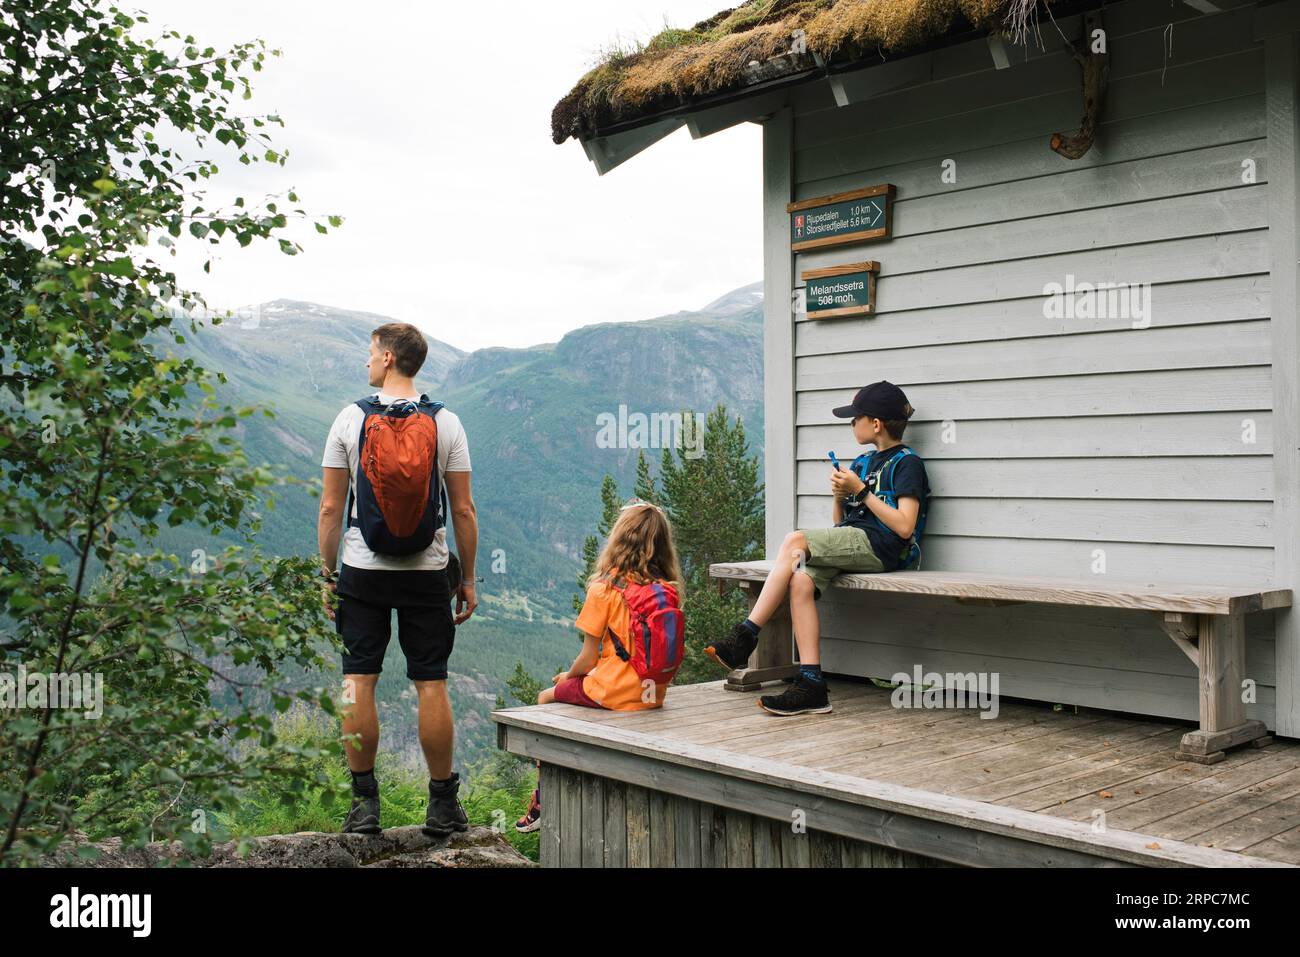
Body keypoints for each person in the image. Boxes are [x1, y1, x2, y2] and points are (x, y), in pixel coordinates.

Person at [318, 322, 479, 836]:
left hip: (361, 572)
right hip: (427, 572)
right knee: (431, 684)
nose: (366, 361)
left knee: (356, 681)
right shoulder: (446, 422)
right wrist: (469, 578)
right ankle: (442, 808)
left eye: (370, 353)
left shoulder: (349, 418)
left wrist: (327, 576)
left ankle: (365, 807)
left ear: (388, 358)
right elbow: (464, 510)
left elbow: (329, 507)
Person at [705, 380, 930, 717]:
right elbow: (842, 525)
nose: (852, 423)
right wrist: (841, 496)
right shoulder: (863, 462)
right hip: (855, 541)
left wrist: (863, 493)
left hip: (884, 548)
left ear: (876, 424)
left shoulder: (906, 463)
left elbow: (904, 526)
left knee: (795, 540)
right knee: (801, 581)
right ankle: (812, 685)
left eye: (855, 418)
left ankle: (745, 636)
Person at [515, 499, 684, 833]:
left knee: (545, 698)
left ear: (618, 540)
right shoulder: (665, 590)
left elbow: (588, 658)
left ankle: (542, 799)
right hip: (653, 693)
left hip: (613, 693)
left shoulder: (604, 589)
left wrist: (569, 676)